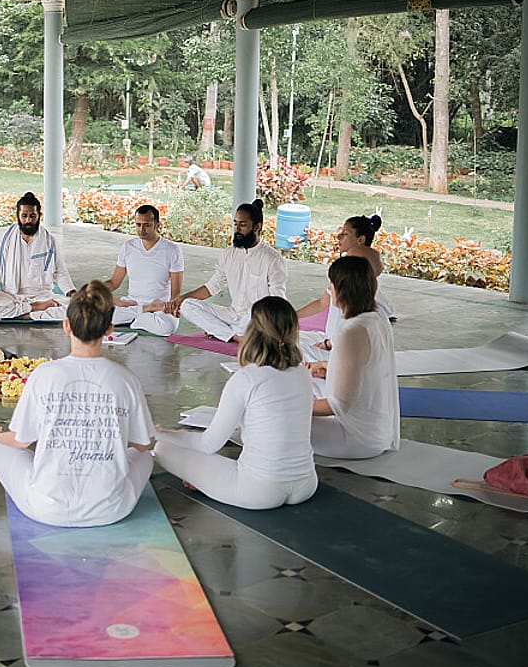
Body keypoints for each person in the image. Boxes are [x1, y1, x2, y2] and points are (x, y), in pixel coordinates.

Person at [0, 280, 156, 527]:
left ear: (66, 326)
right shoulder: (126, 379)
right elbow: (141, 445)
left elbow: (20, 441)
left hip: (45, 508)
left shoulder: (44, 374)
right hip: (111, 509)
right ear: (109, 329)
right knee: (146, 457)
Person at [154, 296, 317, 509]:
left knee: (163, 448)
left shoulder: (247, 378)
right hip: (306, 485)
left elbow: (208, 444)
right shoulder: (303, 374)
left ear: (252, 333)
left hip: (259, 492)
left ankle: (206, 481)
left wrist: (158, 432)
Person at [308, 255, 400, 459]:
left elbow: (338, 404)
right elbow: (367, 372)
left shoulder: (351, 332)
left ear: (341, 289)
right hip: (378, 431)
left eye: (331, 283)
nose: (329, 289)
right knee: (308, 383)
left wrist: (289, 403)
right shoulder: (377, 318)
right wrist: (328, 368)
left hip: (356, 440)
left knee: (268, 412)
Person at [169, 199, 287, 342]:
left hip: (257, 318)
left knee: (258, 312)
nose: (237, 230)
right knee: (188, 306)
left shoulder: (272, 259)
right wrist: (181, 299)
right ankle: (236, 336)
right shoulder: (228, 254)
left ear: (257, 227)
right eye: (235, 224)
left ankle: (223, 331)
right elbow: (212, 287)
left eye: (243, 225)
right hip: (232, 314)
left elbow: (278, 302)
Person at [297, 214, 396, 350]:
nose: (339, 237)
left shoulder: (360, 267)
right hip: (333, 340)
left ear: (360, 239)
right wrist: (291, 317)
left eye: (345, 234)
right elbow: (323, 303)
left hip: (339, 345)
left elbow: (372, 259)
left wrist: (329, 344)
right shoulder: (351, 270)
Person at [0, 192, 74, 321]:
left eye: (32, 216)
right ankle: (35, 310)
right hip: (11, 296)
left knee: (76, 307)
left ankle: (23, 314)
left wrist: (72, 293)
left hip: (42, 296)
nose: (28, 220)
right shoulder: (5, 240)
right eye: (24, 216)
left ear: (39, 216)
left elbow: (60, 272)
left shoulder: (50, 241)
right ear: (18, 216)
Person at [101, 205, 183, 337]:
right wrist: (94, 290)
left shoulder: (172, 250)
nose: (141, 229)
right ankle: (141, 316)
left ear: (157, 225)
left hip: (160, 306)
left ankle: (136, 319)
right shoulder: (128, 247)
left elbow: (176, 292)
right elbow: (114, 282)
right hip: (132, 303)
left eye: (147, 225)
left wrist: (171, 306)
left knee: (167, 327)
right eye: (138, 224)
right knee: (96, 316)